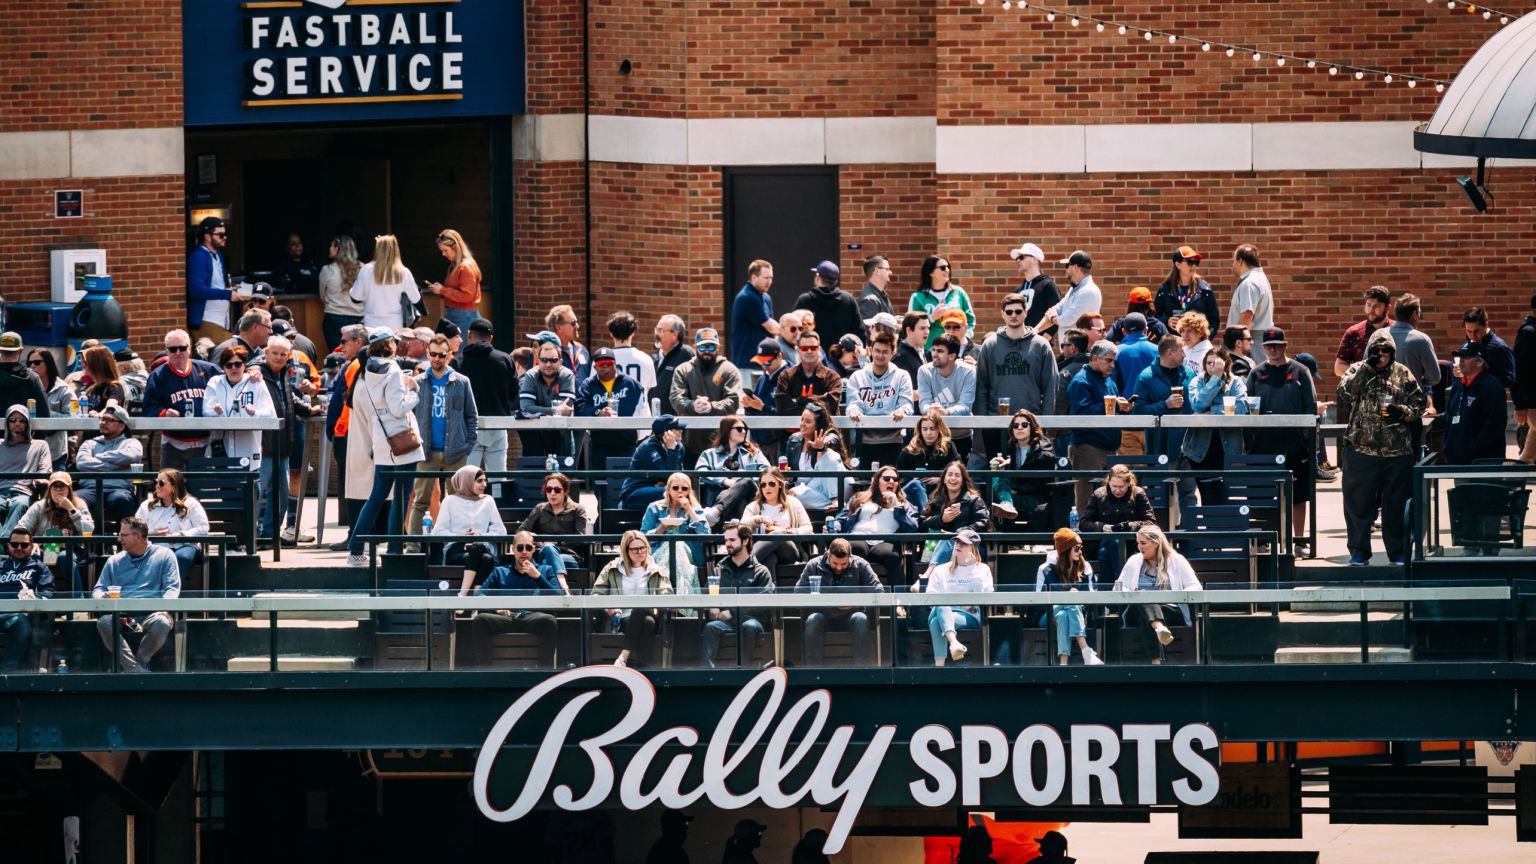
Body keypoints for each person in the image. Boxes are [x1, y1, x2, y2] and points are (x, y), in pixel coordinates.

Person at [1337, 329, 1426, 566]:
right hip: (1361, 450)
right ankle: (1359, 552)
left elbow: (1419, 404)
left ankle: (1397, 552)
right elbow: (1344, 393)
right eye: (1376, 350)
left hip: (1396, 453)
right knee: (1358, 504)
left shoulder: (1403, 373)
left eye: (1386, 350)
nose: (1381, 354)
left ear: (1392, 352)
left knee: (1396, 506)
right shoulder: (1358, 369)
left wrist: (1401, 412)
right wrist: (1367, 367)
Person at [346, 326, 424, 565]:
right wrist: (414, 391)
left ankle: (356, 549)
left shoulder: (368, 369)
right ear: (390, 344)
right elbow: (398, 408)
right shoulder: (392, 369)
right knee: (401, 498)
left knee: (377, 496)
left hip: (382, 442)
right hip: (401, 441)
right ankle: (394, 551)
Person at [1247, 329, 1319, 553]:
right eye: (1269, 346)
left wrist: (1306, 440)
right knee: (1262, 495)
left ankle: (1299, 541)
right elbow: (1247, 408)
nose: (1273, 349)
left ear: (1285, 345)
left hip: (1294, 446)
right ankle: (1263, 540)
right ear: (1263, 348)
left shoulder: (1301, 372)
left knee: (1298, 496)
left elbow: (1310, 407)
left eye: (1277, 345)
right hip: (1263, 446)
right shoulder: (1256, 373)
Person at [407, 334, 478, 537]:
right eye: (434, 354)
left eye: (442, 355)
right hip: (426, 451)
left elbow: (471, 415)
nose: (437, 358)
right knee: (420, 501)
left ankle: (456, 544)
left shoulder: (461, 382)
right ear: (427, 353)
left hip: (455, 451)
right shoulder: (418, 382)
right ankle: (414, 547)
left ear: (449, 355)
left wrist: (468, 444)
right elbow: (408, 416)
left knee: (458, 502)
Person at [92, 517, 180, 673]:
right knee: (104, 622)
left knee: (163, 623)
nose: (119, 539)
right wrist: (102, 596)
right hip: (120, 614)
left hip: (153, 613)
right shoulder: (114, 561)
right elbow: (98, 589)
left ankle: (139, 662)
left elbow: (172, 588)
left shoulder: (165, 555)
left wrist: (164, 608)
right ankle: (135, 669)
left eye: (123, 535)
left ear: (138, 536)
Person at [974, 293, 1059, 454]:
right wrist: (984, 423)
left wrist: (1045, 423)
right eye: (1009, 312)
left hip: (1031, 423)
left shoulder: (1041, 345)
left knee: (1029, 469)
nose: (1014, 315)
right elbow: (981, 388)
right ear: (1002, 314)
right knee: (997, 470)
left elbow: (1050, 387)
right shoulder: (989, 345)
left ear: (1025, 313)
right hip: (996, 424)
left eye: (1018, 311)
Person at [1114, 525, 1201, 662]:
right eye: (1138, 543)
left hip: (1169, 609)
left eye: (1143, 543)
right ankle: (1159, 627)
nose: (1139, 547)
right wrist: (1134, 595)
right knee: (1144, 599)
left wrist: (1173, 595)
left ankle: (1156, 661)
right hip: (1137, 608)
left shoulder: (1176, 560)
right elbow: (1118, 588)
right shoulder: (1134, 561)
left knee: (1146, 619)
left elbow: (1196, 587)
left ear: (1156, 543)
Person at [1132, 337, 1197, 516]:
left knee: (1189, 494)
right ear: (1170, 353)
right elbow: (1138, 411)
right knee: (1159, 496)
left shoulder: (1189, 373)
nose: (1185, 355)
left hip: (1188, 446)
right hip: (1161, 447)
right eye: (1181, 351)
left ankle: (1189, 532)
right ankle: (1160, 533)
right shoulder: (1146, 377)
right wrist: (1164, 405)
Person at [795, 538, 883, 665]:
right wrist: (821, 600)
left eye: (844, 564)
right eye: (835, 563)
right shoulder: (813, 565)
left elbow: (879, 591)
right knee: (812, 621)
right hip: (822, 615)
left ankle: (861, 670)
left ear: (850, 556)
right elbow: (798, 593)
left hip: (851, 615)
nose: (839, 567)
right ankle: (815, 672)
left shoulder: (861, 565)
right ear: (828, 554)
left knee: (861, 619)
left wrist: (854, 602)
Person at [141, 330, 221, 469]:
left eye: (182, 348)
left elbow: (233, 376)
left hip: (204, 441)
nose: (178, 352)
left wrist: (251, 373)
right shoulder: (158, 376)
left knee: (202, 482)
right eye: (173, 349)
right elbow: (148, 409)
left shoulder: (208, 369)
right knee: (169, 482)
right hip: (173, 443)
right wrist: (164, 413)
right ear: (167, 351)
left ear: (189, 349)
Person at [593, 529, 673, 668]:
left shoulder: (657, 570)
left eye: (643, 548)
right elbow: (596, 594)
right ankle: (643, 668)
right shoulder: (612, 568)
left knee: (642, 610)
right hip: (621, 618)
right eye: (635, 549)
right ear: (626, 551)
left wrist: (657, 604)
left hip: (650, 613)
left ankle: (623, 657)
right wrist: (607, 607)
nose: (640, 552)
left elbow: (667, 594)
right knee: (647, 622)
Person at [701, 522, 775, 668]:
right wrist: (712, 605)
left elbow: (763, 602)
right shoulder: (720, 569)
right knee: (711, 627)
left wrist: (732, 612)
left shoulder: (761, 571)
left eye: (732, 540)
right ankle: (707, 673)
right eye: (726, 540)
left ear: (745, 540)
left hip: (752, 620)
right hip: (726, 622)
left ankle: (743, 671)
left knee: (749, 626)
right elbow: (707, 592)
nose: (727, 544)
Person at [827, 465, 919, 580]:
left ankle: (895, 591)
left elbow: (912, 528)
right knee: (856, 548)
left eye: (895, 479)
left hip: (884, 541)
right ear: (876, 481)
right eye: (886, 478)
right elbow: (841, 519)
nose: (891, 481)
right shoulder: (859, 498)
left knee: (892, 556)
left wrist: (897, 506)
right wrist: (834, 527)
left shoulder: (903, 504)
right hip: (858, 536)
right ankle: (852, 588)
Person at [1183, 345, 1249, 506]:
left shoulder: (1236, 382)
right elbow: (1198, 405)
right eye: (1208, 363)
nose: (1212, 367)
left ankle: (1221, 522)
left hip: (1227, 445)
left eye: (1216, 363)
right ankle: (1209, 522)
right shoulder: (1197, 381)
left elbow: (1241, 407)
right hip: (1199, 448)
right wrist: (1215, 380)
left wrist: (1212, 411)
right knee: (1207, 495)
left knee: (1223, 495)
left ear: (1225, 363)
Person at [1066, 340, 1128, 511]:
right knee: (1087, 501)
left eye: (1113, 361)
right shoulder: (1080, 381)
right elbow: (1080, 415)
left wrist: (1123, 407)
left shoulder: (1109, 381)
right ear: (1094, 358)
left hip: (1110, 447)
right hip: (1088, 448)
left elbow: (1110, 412)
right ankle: (1086, 529)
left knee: (1108, 501)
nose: (1112, 365)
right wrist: (1114, 406)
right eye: (1108, 360)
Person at [459, 318, 519, 492]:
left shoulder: (459, 362)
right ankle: (498, 508)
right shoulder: (505, 359)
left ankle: (468, 509)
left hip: (468, 427)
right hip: (498, 425)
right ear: (491, 337)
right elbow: (514, 395)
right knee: (498, 482)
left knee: (467, 482)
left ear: (469, 335)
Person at [844, 331, 915, 469]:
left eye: (885, 352)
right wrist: (854, 410)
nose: (880, 355)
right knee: (864, 479)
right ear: (870, 350)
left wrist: (902, 410)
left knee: (891, 478)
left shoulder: (902, 376)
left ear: (893, 353)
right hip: (864, 440)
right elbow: (853, 403)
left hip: (894, 440)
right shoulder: (857, 376)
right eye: (877, 350)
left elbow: (906, 404)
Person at [669, 328, 743, 461]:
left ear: (718, 347)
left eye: (711, 347)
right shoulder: (683, 370)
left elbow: (733, 400)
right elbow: (675, 398)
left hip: (722, 443)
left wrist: (711, 407)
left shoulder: (729, 370)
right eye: (702, 347)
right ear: (695, 347)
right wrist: (693, 405)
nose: (707, 351)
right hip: (689, 443)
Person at [923, 527, 992, 665]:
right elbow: (930, 597)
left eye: (964, 543)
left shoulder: (982, 569)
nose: (958, 545)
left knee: (936, 622)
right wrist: (949, 606)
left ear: (973, 549)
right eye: (957, 541)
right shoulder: (940, 570)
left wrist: (972, 570)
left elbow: (985, 596)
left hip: (969, 615)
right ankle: (954, 643)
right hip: (939, 610)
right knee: (942, 604)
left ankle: (939, 667)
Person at [1036, 528, 1102, 666]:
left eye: (1081, 548)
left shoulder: (1085, 567)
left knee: (1063, 615)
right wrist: (1066, 598)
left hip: (1078, 615)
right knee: (1069, 601)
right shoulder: (1045, 569)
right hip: (1048, 615)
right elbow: (1039, 599)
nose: (1080, 552)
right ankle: (1086, 651)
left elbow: (1092, 595)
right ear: (1065, 550)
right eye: (1076, 548)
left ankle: (1063, 663)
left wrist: (1076, 598)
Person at [576, 346, 649, 470]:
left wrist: (633, 437)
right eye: (601, 364)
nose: (606, 367)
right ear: (594, 367)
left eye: (609, 363)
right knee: (600, 481)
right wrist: (598, 412)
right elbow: (580, 409)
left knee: (626, 481)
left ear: (615, 364)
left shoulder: (631, 384)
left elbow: (644, 415)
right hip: (599, 446)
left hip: (627, 447)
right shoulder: (588, 385)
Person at [204, 344, 276, 471]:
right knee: (223, 483)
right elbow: (205, 412)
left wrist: (255, 413)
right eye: (229, 365)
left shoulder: (256, 382)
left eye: (237, 364)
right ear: (223, 367)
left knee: (250, 483)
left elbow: (271, 415)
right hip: (221, 451)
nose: (234, 368)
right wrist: (217, 413)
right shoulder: (214, 383)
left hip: (249, 452)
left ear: (244, 365)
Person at [1435, 341, 1508, 466]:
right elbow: (1451, 416)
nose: (1461, 360)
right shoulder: (1457, 386)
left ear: (1479, 362)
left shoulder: (1492, 387)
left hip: (1482, 463)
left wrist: (1471, 450)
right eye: (1460, 356)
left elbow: (1494, 427)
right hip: (1457, 461)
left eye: (1466, 357)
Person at [1080, 463, 1156, 577]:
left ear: (1128, 483)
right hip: (1102, 541)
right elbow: (1084, 523)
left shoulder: (1138, 494)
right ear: (1108, 482)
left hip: (1130, 544)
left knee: (1105, 552)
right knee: (1113, 543)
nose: (1117, 490)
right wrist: (1102, 527)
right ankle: (1122, 582)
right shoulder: (1099, 494)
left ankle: (1108, 585)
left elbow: (1150, 522)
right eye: (1114, 486)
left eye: (1121, 486)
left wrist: (1130, 526)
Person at [135, 468, 209, 582]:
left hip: (185, 545)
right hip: (157, 545)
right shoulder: (147, 505)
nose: (157, 486)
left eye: (161, 483)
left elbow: (203, 528)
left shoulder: (191, 504)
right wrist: (153, 533)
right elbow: (135, 528)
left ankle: (171, 590)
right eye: (156, 482)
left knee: (181, 557)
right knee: (157, 557)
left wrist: (181, 535)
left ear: (174, 486)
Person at [641, 472, 709, 595]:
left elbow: (705, 534)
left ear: (689, 491)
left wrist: (689, 509)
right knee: (673, 545)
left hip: (689, 556)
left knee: (676, 546)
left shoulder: (695, 509)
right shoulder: (654, 508)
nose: (680, 491)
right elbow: (643, 539)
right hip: (658, 553)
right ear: (668, 489)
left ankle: (665, 593)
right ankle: (681, 597)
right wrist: (662, 527)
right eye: (675, 488)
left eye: (684, 488)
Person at [72, 405, 140, 526]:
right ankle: (80, 538)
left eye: (109, 420)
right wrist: (115, 465)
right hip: (89, 489)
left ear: (122, 426)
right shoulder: (89, 443)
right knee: (73, 501)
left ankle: (126, 536)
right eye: (102, 419)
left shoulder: (131, 443)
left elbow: (132, 455)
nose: (103, 423)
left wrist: (98, 457)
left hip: (118, 490)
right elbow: (82, 463)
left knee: (122, 500)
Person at [989, 409, 1058, 528]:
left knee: (997, 491)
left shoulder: (1044, 452)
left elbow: (1039, 483)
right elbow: (1020, 467)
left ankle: (1006, 505)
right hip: (1017, 492)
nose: (1019, 428)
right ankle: (1005, 506)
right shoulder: (1013, 446)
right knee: (994, 476)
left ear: (1032, 427)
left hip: (1034, 497)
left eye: (1024, 425)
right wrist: (1005, 464)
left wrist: (1016, 488)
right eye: (1016, 426)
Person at [695, 416, 768, 526]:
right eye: (739, 429)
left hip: (751, 493)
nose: (743, 432)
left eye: (745, 429)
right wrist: (723, 481)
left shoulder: (754, 452)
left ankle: (716, 512)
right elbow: (701, 472)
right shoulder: (709, 454)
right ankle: (736, 533)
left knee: (746, 480)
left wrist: (740, 482)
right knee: (739, 501)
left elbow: (766, 471)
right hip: (721, 494)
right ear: (727, 430)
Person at [918, 460, 991, 571]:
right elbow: (922, 523)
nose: (953, 478)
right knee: (947, 539)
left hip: (970, 547)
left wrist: (959, 533)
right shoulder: (935, 500)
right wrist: (942, 519)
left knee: (950, 538)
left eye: (957, 475)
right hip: (938, 546)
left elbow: (983, 522)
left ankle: (928, 574)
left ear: (963, 480)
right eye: (950, 475)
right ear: (944, 479)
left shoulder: (974, 499)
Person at [741, 466, 812, 573]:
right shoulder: (754, 506)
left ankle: (744, 565)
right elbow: (742, 527)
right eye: (763, 485)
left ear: (780, 485)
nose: (767, 488)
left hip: (789, 551)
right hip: (763, 552)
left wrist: (794, 531)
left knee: (777, 534)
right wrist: (757, 519)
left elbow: (808, 527)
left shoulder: (793, 502)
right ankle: (771, 585)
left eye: (772, 484)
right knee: (770, 558)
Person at [917, 333, 978, 460]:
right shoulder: (924, 371)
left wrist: (946, 412)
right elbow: (924, 403)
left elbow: (966, 405)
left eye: (940, 351)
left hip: (961, 434)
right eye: (933, 349)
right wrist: (931, 410)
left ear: (952, 356)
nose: (934, 354)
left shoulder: (968, 371)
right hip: (934, 435)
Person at [0, 527, 51, 671]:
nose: (19, 548)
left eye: (24, 545)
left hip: (19, 615)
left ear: (31, 546)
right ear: (8, 545)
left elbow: (48, 592)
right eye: (15, 544)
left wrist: (34, 598)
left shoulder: (39, 567)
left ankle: (7, 670)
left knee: (20, 622)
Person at [520, 340, 577, 462]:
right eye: (544, 360)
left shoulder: (567, 375)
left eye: (553, 360)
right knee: (533, 471)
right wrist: (554, 410)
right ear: (538, 361)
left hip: (561, 435)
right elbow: (526, 408)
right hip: (535, 435)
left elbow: (566, 409)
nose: (548, 364)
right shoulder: (530, 375)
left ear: (560, 362)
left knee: (563, 472)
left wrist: (539, 411)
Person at [349, 234, 420, 330]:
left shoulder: (366, 269)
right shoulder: (403, 272)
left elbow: (356, 298)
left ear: (377, 249)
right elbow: (416, 299)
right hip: (395, 325)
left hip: (371, 325)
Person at [785, 405, 847, 513]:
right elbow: (791, 473)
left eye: (808, 421)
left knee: (830, 456)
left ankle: (836, 499)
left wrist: (821, 447)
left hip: (830, 484)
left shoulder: (830, 435)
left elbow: (831, 440)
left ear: (818, 425)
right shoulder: (794, 439)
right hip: (808, 488)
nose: (802, 423)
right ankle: (836, 504)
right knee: (793, 494)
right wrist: (788, 478)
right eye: (802, 419)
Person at [898, 406, 961, 511]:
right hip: (914, 500)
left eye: (932, 429)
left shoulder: (948, 447)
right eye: (925, 429)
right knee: (916, 485)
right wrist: (914, 480)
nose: (928, 433)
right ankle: (926, 514)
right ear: (920, 430)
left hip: (942, 496)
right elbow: (900, 478)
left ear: (939, 429)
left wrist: (940, 479)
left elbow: (960, 472)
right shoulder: (909, 450)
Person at [520, 472, 589, 568]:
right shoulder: (540, 508)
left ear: (565, 491)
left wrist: (548, 543)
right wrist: (532, 537)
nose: (552, 493)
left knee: (547, 559)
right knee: (546, 557)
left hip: (568, 554)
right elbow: (521, 531)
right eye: (549, 489)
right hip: (542, 553)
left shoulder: (577, 509)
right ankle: (560, 577)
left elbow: (579, 538)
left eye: (557, 490)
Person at [187, 216, 239, 343]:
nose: (224, 237)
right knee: (234, 348)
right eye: (220, 235)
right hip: (207, 319)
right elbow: (196, 288)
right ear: (207, 237)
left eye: (225, 234)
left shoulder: (217, 255)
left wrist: (229, 289)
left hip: (221, 320)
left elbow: (216, 284)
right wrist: (226, 294)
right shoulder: (198, 256)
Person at [422, 229, 482, 336]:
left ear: (455, 247)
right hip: (456, 314)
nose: (443, 254)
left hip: (463, 315)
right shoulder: (455, 266)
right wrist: (440, 290)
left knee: (460, 346)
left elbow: (467, 296)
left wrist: (442, 290)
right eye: (442, 251)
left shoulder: (465, 267)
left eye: (445, 250)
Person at [621, 415, 687, 510]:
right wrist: (672, 450)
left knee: (683, 489)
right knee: (674, 491)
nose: (681, 430)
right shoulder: (648, 447)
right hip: (635, 491)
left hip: (658, 487)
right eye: (676, 428)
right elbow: (669, 474)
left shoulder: (678, 446)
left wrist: (667, 483)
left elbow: (678, 474)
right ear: (665, 432)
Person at [795, 259, 866, 347]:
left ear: (817, 277)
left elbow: (794, 330)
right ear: (836, 281)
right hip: (842, 353)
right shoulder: (848, 300)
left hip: (811, 352)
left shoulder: (805, 300)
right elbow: (860, 333)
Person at [775, 329, 843, 420]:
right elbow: (782, 408)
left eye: (813, 348)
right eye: (804, 348)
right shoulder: (786, 376)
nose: (809, 351)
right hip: (793, 428)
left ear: (819, 349)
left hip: (824, 427)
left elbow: (831, 405)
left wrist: (799, 400)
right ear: (798, 350)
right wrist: (819, 400)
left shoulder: (833, 377)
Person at [909, 255, 974, 348]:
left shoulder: (958, 293)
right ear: (931, 272)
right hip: (930, 349)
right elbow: (911, 326)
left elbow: (970, 320)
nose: (947, 270)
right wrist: (932, 318)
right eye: (943, 268)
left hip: (956, 349)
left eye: (948, 267)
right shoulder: (917, 297)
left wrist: (964, 338)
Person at [1040, 251, 1101, 347]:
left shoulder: (1088, 291)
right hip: (1071, 349)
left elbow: (1068, 319)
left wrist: (1052, 318)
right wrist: (1053, 315)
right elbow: (1057, 308)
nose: (1066, 270)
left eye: (1067, 265)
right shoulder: (1074, 289)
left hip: (1081, 350)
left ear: (1075, 267)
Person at [1333, 285, 1394, 378]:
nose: (1371, 310)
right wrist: (1363, 372)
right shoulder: (1354, 332)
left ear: (1388, 308)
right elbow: (1339, 368)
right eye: (1368, 305)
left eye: (1377, 306)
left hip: (1393, 385)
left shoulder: (1397, 331)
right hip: (1363, 386)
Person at [1154, 245, 1220, 331]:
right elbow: (1154, 318)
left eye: (1196, 262)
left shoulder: (1205, 290)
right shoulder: (1164, 290)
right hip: (1173, 338)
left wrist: (1205, 337)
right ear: (1178, 264)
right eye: (1189, 262)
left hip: (1197, 339)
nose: (1193, 265)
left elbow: (1214, 320)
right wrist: (1166, 321)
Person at [729, 259, 779, 369]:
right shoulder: (747, 297)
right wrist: (789, 329)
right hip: (747, 363)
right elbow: (772, 328)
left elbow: (774, 330)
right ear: (754, 278)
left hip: (764, 361)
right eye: (766, 278)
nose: (769, 281)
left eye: (771, 278)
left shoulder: (766, 297)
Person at [318, 235, 365, 353]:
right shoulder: (364, 268)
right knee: (357, 355)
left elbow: (322, 295)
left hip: (334, 318)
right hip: (358, 319)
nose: (329, 248)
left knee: (337, 355)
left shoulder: (327, 270)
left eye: (331, 246)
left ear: (338, 249)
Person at [27, 349, 72, 470]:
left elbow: (73, 417)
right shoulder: (26, 387)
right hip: (29, 451)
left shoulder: (63, 389)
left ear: (48, 364)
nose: (32, 366)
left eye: (37, 362)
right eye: (29, 363)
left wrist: (46, 413)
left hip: (55, 454)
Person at [741, 339, 786, 458]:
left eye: (767, 362)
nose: (764, 366)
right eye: (761, 362)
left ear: (779, 356)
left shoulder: (788, 376)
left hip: (778, 442)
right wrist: (749, 406)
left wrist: (762, 407)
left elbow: (787, 414)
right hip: (759, 443)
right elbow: (755, 410)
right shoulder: (763, 378)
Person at [1387, 293, 1441, 392]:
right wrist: (1417, 381)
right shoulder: (1422, 339)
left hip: (1381, 397)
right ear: (1414, 315)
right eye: (1419, 313)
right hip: (1410, 397)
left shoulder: (1378, 335)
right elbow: (1434, 377)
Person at [1462, 305, 1518, 390]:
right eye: (1468, 331)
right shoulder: (1467, 345)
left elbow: (1509, 379)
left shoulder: (1500, 347)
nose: (1472, 336)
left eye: (1476, 331)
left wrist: (1479, 378)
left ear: (1486, 325)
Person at [1008, 242, 1060, 329]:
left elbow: (1056, 315)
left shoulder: (1048, 285)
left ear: (1034, 260)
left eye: (1022, 257)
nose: (1018, 260)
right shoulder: (1018, 290)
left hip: (1040, 337)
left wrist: (1044, 337)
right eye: (1017, 258)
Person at [608, 311, 659, 395]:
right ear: (632, 333)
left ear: (611, 333)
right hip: (638, 403)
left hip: (611, 403)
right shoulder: (646, 359)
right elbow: (648, 388)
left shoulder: (600, 360)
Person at [209, 308, 273, 370]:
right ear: (255, 327)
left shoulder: (263, 354)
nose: (271, 332)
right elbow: (214, 374)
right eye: (269, 327)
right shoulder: (227, 349)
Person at [653, 314, 696, 406]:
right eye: (656, 330)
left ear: (675, 335)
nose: (656, 334)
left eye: (660, 330)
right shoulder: (654, 357)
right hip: (654, 413)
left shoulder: (687, 356)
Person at [79, 344, 126, 422]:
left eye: (85, 363)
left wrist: (99, 415)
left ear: (96, 365)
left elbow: (111, 405)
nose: (83, 366)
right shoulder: (92, 388)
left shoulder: (115, 387)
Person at [546, 304, 591, 381]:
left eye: (576, 322)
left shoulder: (582, 350)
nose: (577, 326)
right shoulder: (546, 354)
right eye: (573, 323)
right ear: (559, 327)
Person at [1516, 294, 1536, 463]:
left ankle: (1522, 464)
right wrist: (1520, 404)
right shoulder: (1529, 333)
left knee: (1534, 435)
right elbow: (1519, 369)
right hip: (1532, 400)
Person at [1054, 327, 1090, 416]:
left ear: (1072, 348)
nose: (1062, 349)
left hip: (1071, 423)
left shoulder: (1066, 373)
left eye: (1063, 345)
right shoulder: (1096, 369)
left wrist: (1054, 425)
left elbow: (1060, 405)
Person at [894, 311, 930, 384]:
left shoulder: (927, 354)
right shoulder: (900, 357)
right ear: (909, 330)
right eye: (922, 328)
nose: (927, 332)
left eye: (928, 328)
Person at [857, 255, 895, 322]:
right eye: (887, 269)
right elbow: (869, 327)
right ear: (877, 271)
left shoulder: (882, 295)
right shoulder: (869, 300)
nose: (890, 272)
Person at [1176, 313, 1214, 378]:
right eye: (1183, 331)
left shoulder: (1209, 354)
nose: (1185, 335)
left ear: (1201, 333)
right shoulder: (1183, 349)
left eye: (1190, 331)